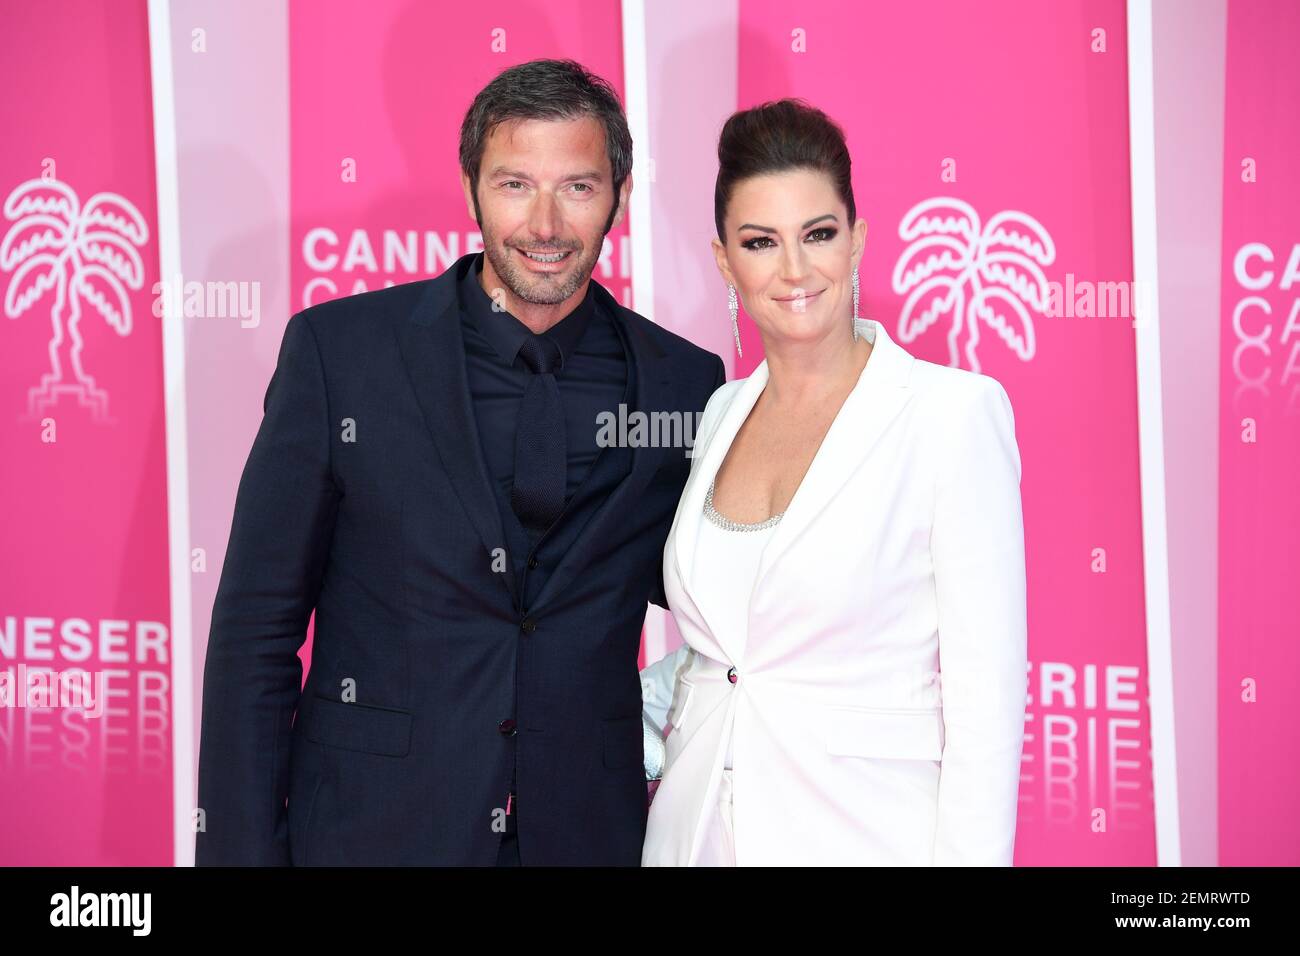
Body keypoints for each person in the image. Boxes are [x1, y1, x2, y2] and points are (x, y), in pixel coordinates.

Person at [195, 59, 724, 866]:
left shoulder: (685, 385)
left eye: (577, 187)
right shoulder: (344, 356)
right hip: (373, 835)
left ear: (618, 193)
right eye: (515, 183)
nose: (545, 223)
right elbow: (255, 633)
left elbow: (722, 596)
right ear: (472, 185)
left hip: (588, 838)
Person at [639, 98, 1027, 866]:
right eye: (760, 242)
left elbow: (986, 709)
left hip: (865, 836)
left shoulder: (949, 416)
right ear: (724, 260)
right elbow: (728, 655)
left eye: (818, 234)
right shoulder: (721, 411)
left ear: (857, 240)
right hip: (695, 836)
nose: (793, 270)